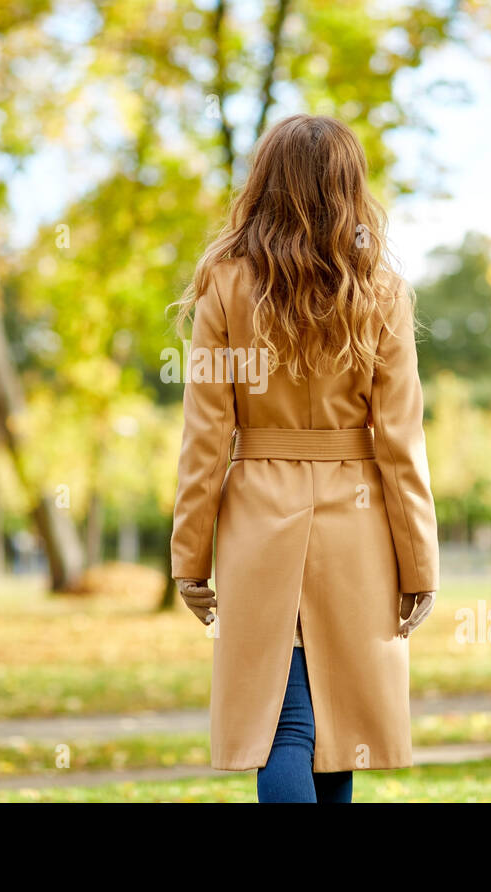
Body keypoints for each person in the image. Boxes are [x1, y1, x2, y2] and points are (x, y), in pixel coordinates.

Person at [169, 115, 440, 803]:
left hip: (259, 518)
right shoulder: (379, 290)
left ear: (265, 183)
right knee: (335, 728)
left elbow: (205, 438)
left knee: (286, 724)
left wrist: (189, 555)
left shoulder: (224, 284)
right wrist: (420, 563)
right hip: (358, 523)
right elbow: (402, 445)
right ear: (350, 189)